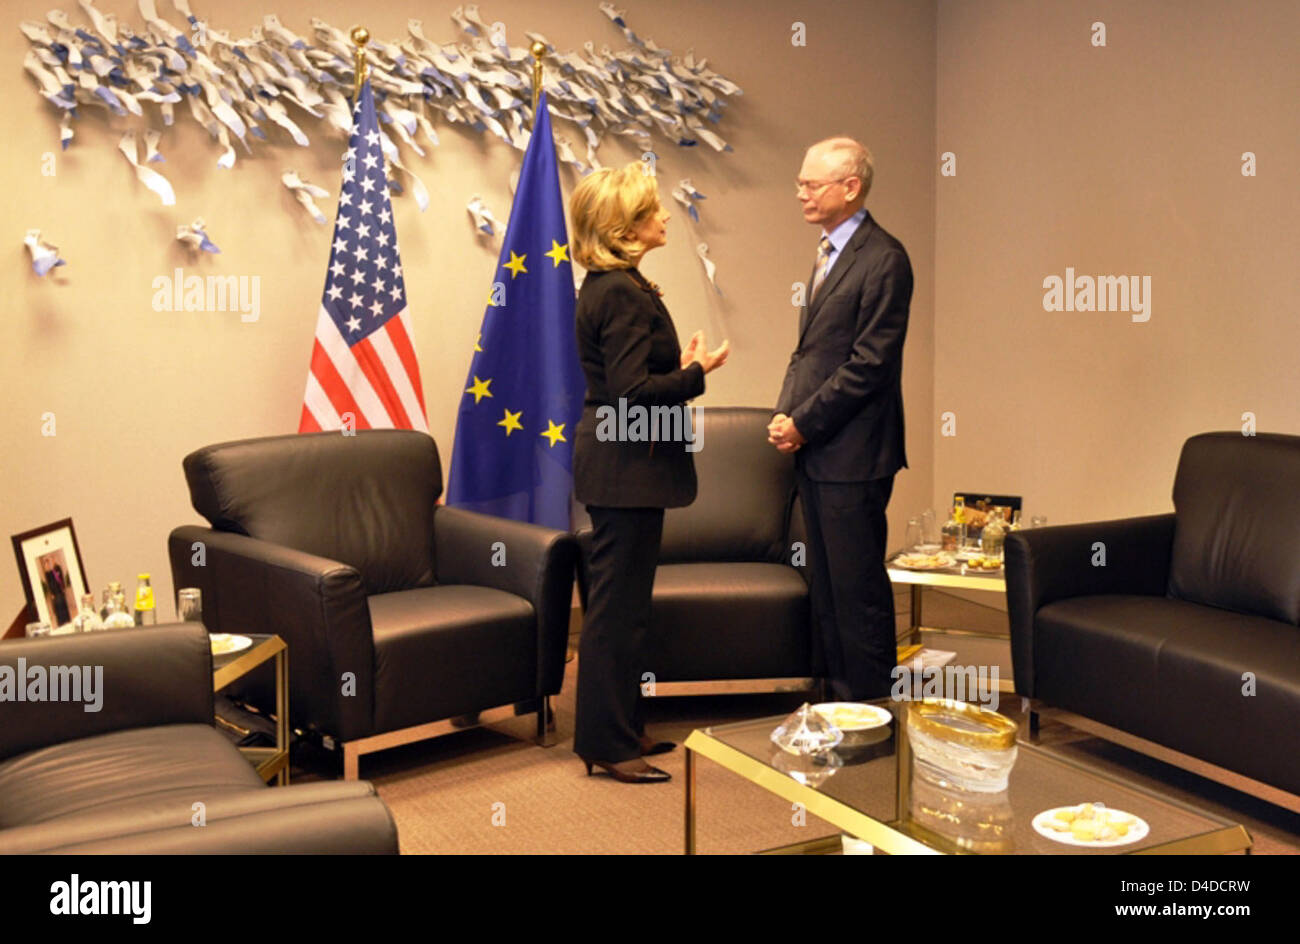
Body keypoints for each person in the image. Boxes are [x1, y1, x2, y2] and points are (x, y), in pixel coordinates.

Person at [570, 163, 729, 783]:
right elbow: (631, 395)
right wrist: (695, 375)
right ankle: (607, 746)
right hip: (624, 471)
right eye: (653, 210)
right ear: (627, 228)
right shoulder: (618, 292)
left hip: (627, 468)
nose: (665, 217)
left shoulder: (618, 284)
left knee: (629, 610)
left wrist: (681, 369)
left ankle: (623, 730)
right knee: (615, 613)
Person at [769, 136, 912, 701]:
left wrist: (804, 421)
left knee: (858, 594)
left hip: (854, 455)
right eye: (801, 183)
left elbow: (869, 366)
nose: (800, 193)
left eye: (811, 184)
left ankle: (874, 715)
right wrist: (786, 412)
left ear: (850, 188)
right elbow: (810, 351)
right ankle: (834, 708)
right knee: (825, 591)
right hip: (817, 451)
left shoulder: (884, 259)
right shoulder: (828, 251)